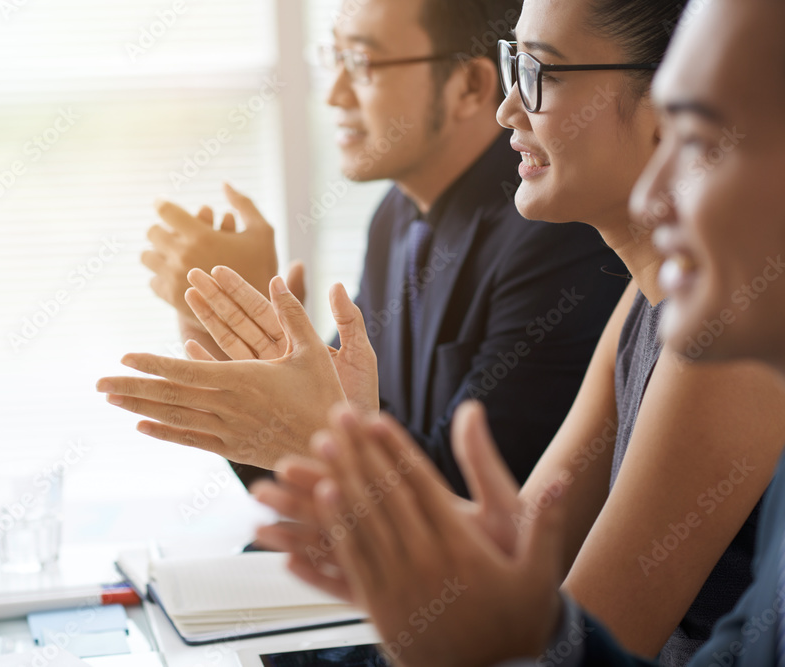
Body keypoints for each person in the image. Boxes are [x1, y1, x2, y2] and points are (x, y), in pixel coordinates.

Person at [250, 0, 785, 664]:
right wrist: (356, 441)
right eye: (514, 62)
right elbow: (512, 568)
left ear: (669, 102)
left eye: (542, 72)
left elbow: (565, 644)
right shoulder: (644, 303)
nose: (507, 109)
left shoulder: (724, 342)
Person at [135, 0, 626, 492]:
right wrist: (229, 324)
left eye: (362, 63)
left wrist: (281, 367)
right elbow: (302, 467)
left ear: (470, 86)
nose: (333, 94)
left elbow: (465, 502)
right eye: (335, 58)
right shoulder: (394, 217)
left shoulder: (555, 234)